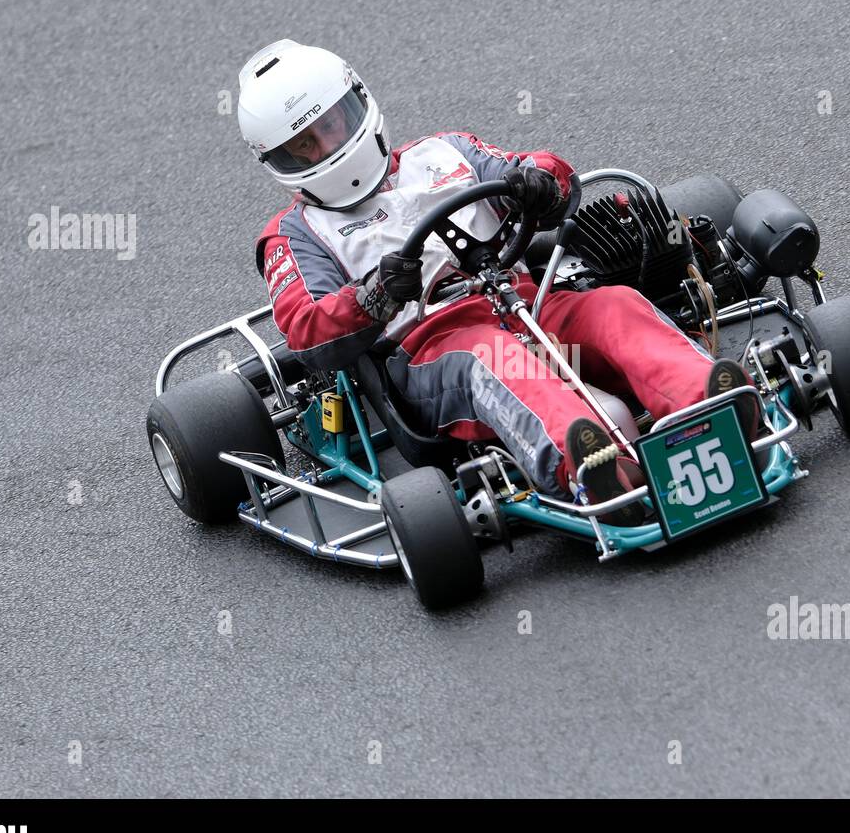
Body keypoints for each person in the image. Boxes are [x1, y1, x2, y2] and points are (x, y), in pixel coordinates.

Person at [237, 40, 753, 524]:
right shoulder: (293, 235)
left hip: (530, 304)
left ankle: (710, 405)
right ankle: (589, 472)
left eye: (333, 124)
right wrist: (372, 297)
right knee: (496, 358)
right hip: (435, 351)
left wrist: (540, 180)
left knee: (612, 305)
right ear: (279, 161)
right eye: (305, 145)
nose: (329, 145)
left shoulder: (443, 153)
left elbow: (534, 169)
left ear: (359, 102)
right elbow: (307, 330)